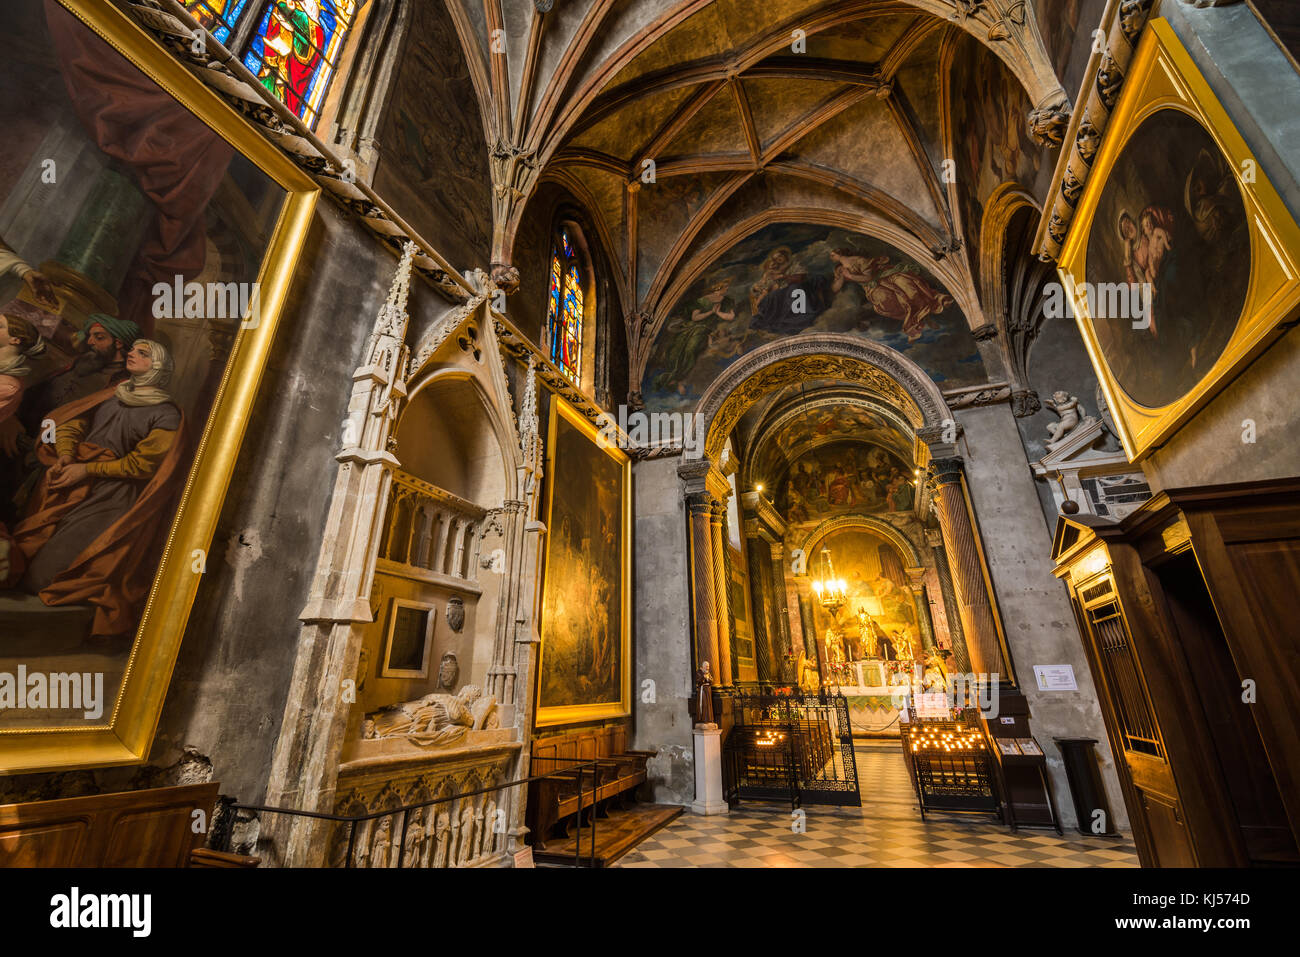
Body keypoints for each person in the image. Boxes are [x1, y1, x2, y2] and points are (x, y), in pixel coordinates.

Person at [13, 339, 186, 637]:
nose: (131, 354)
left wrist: (87, 469)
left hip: (114, 497)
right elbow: (69, 422)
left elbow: (143, 466)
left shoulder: (166, 413)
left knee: (43, 579)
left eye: (143, 353)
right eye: (132, 350)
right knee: (25, 564)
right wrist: (67, 454)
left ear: (158, 367)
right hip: (75, 484)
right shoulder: (113, 395)